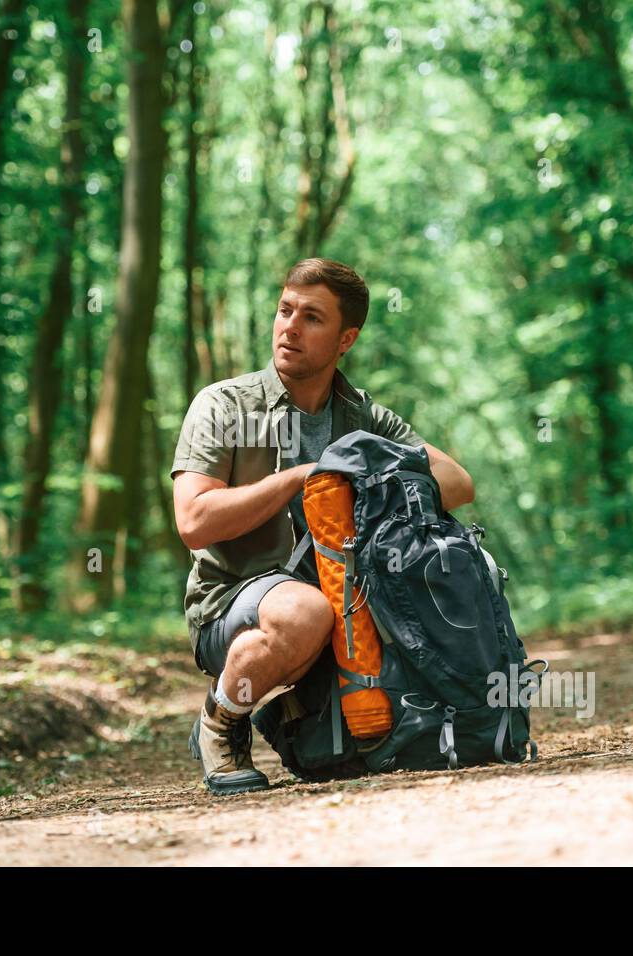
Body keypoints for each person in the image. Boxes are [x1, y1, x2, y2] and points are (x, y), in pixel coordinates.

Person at [170, 258, 475, 794]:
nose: (289, 326)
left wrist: (364, 470)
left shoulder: (363, 417)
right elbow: (194, 521)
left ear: (345, 338)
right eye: (285, 310)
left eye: (312, 317)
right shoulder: (223, 405)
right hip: (233, 599)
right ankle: (221, 722)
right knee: (305, 610)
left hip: (351, 605)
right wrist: (298, 478)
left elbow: (456, 483)